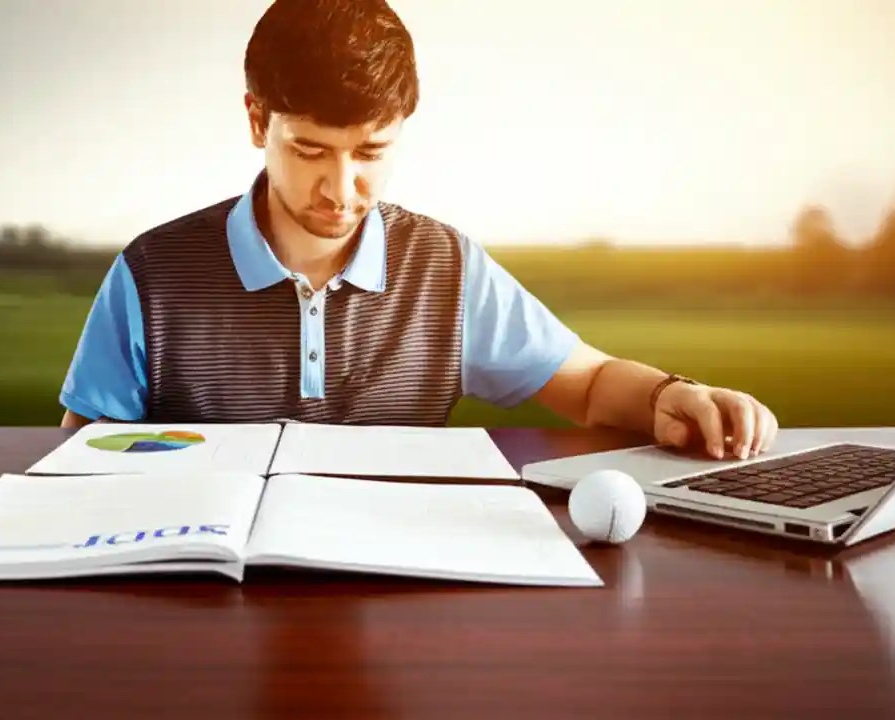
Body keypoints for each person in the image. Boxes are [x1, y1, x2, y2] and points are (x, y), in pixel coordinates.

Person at [58, 0, 779, 461]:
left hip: (391, 592)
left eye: (371, 152)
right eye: (310, 149)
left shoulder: (445, 267)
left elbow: (587, 385)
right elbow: (81, 457)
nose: (341, 191)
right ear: (257, 120)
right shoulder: (151, 272)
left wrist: (669, 394)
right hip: (203, 600)